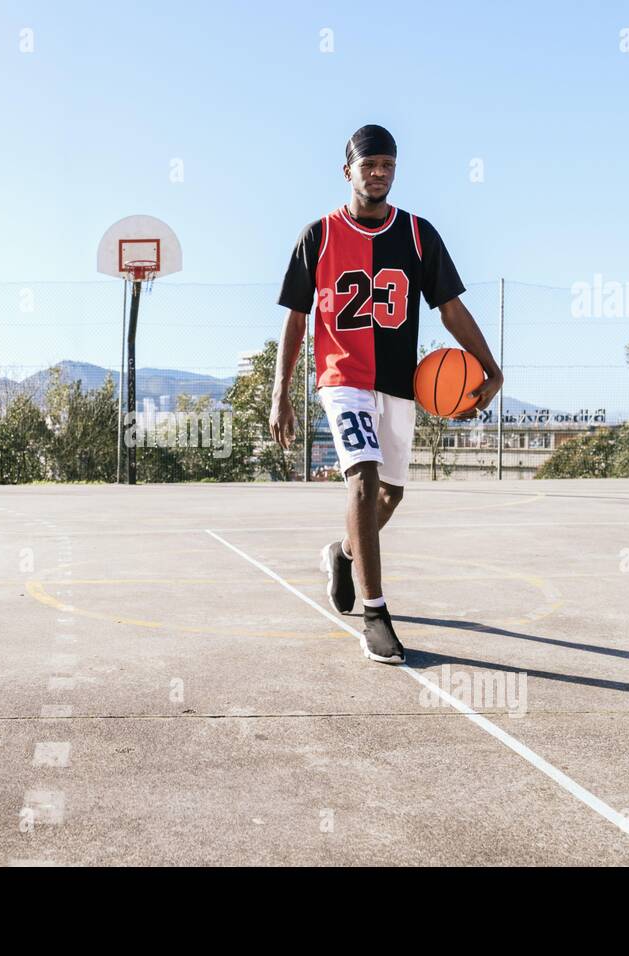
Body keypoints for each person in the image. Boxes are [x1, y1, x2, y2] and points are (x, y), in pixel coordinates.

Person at [271, 124, 502, 664]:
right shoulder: (318, 235)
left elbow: (450, 308)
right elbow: (296, 320)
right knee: (363, 476)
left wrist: (492, 369)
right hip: (342, 379)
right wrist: (281, 392)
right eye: (369, 165)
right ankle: (376, 616)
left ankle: (345, 552)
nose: (379, 174)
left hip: (399, 383)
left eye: (388, 166)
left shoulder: (419, 235)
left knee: (391, 495)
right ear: (347, 171)